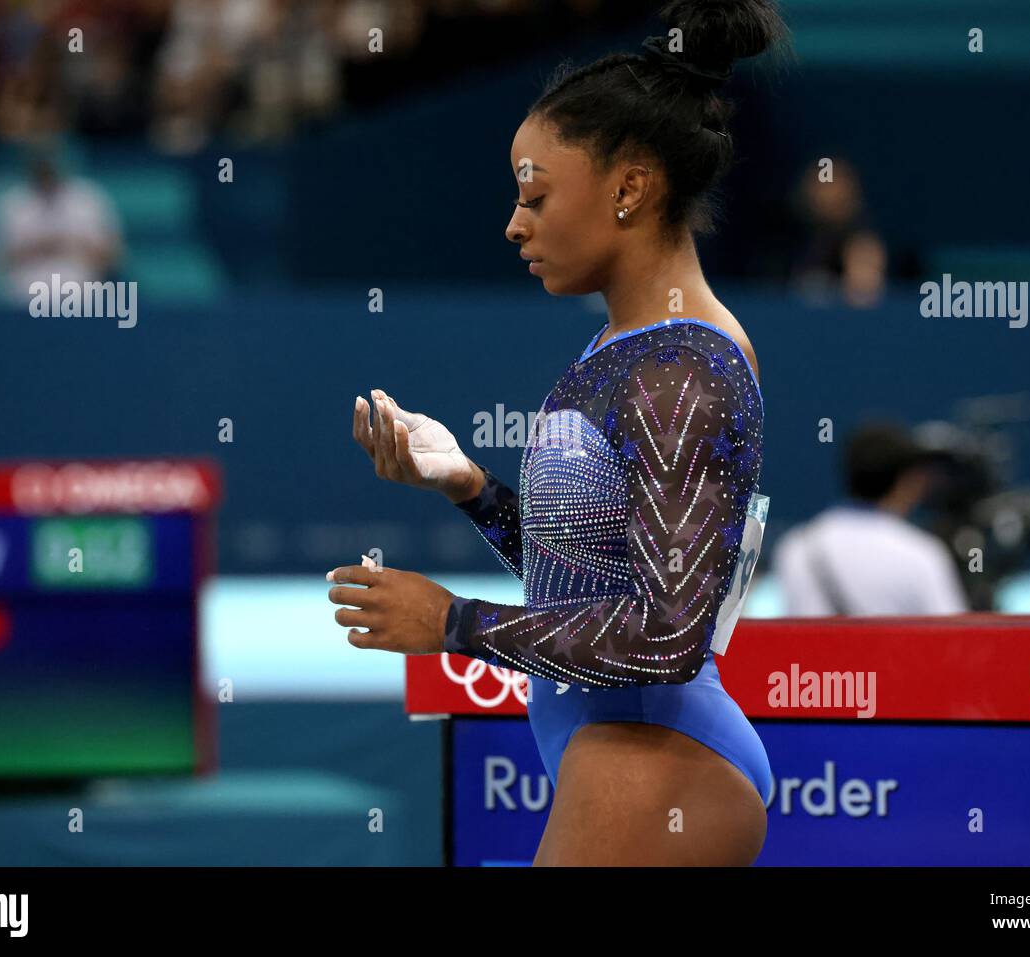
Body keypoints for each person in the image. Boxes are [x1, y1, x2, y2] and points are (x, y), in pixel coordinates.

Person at [327, 0, 787, 866]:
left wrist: (453, 621)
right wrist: (470, 486)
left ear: (629, 186)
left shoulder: (682, 369)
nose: (514, 224)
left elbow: (666, 634)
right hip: (624, 752)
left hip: (657, 758)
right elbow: (594, 575)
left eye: (536, 196)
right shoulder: (629, 343)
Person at [772, 421, 969, 616]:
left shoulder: (795, 547)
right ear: (904, 480)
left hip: (808, 649)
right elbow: (952, 640)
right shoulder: (921, 555)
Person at [0, 147, 122, 301]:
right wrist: (40, 247)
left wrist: (71, 244)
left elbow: (114, 256)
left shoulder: (89, 198)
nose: (47, 174)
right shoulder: (13, 202)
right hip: (25, 294)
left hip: (81, 293)